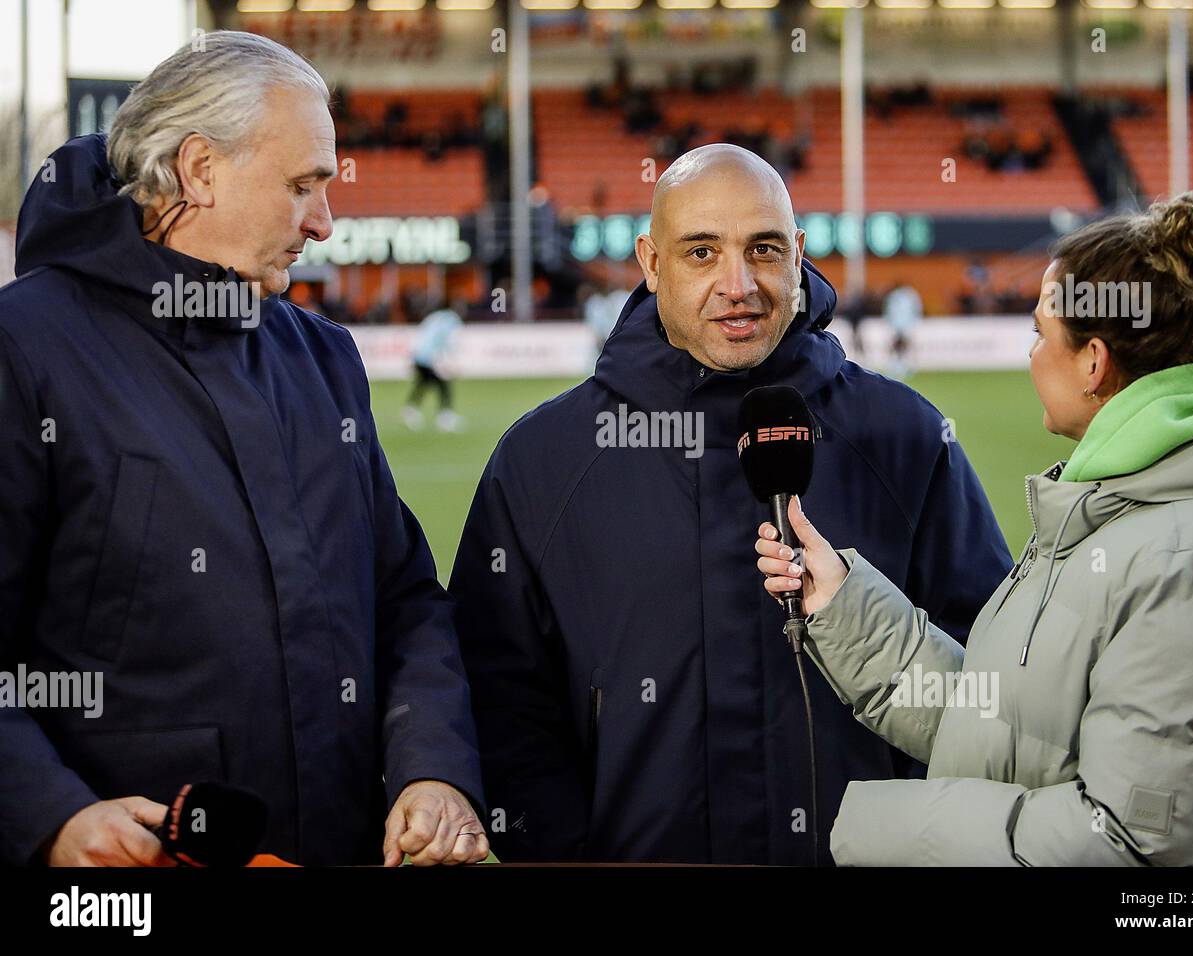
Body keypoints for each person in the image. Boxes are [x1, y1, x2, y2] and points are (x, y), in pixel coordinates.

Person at [0, 32, 487, 867]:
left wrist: (432, 769)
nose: (325, 223)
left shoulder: (323, 357)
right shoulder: (24, 349)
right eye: (303, 186)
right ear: (198, 170)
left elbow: (406, 602)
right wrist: (50, 818)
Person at [450, 143, 1010, 865]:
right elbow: (500, 700)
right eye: (702, 253)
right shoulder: (544, 460)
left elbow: (989, 672)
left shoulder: (903, 437)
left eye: (764, 250)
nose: (738, 283)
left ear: (799, 253)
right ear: (651, 264)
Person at [755, 189, 1193, 865]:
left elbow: (1132, 849)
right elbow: (1011, 730)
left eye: (1041, 332)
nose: (1031, 353)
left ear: (1094, 361)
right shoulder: (1122, 510)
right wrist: (844, 606)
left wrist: (879, 828)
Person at [402, 297, 465, 433]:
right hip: (428, 357)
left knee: (424, 384)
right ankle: (445, 418)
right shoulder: (452, 320)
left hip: (419, 355)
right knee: (443, 386)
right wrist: (451, 362)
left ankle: (411, 410)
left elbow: (424, 335)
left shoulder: (434, 317)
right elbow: (446, 341)